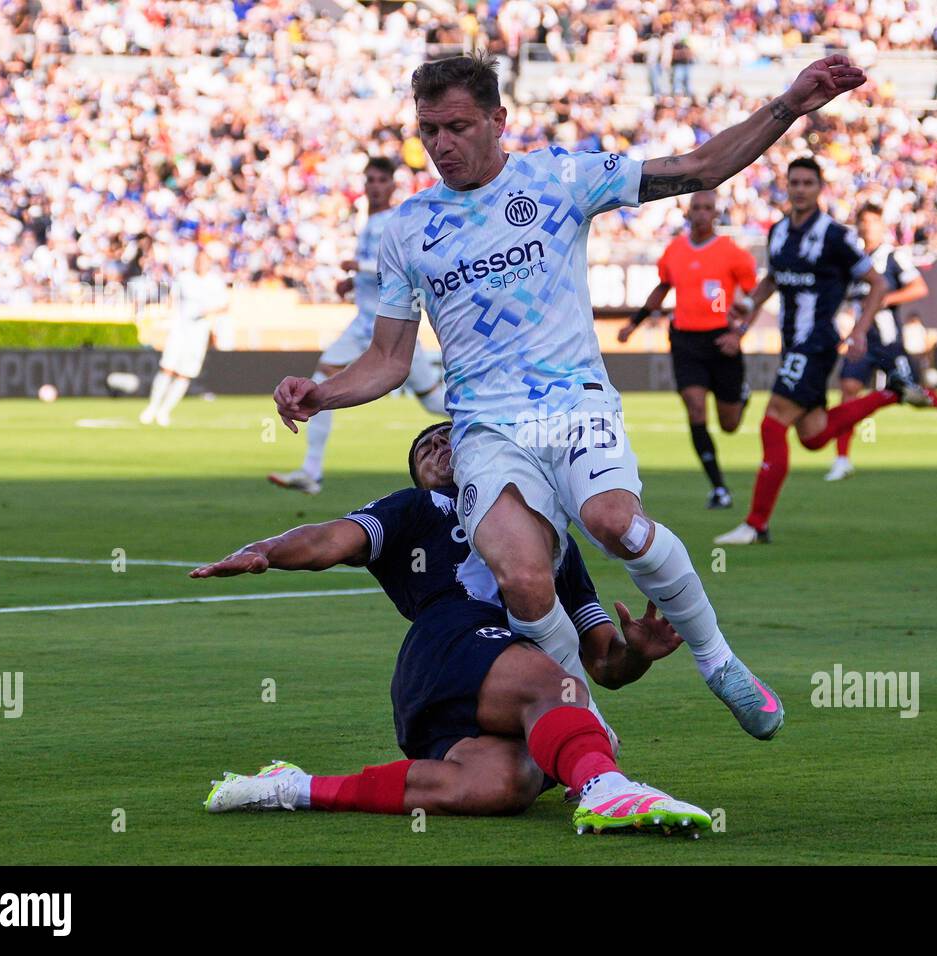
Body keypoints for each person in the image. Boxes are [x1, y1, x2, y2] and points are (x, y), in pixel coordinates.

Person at [273, 52, 869, 741]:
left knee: (614, 521)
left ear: (499, 120)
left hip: (573, 404)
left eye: (457, 126)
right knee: (525, 581)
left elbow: (700, 167)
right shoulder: (410, 228)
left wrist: (791, 103)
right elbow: (388, 359)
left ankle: (720, 662)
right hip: (487, 430)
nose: (440, 144)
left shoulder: (561, 177)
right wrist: (322, 393)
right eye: (428, 129)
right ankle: (587, 726)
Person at [197, 422, 710, 835]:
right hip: (449, 644)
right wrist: (267, 551)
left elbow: (602, 663)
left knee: (501, 787)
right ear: (419, 476)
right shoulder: (420, 508)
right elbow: (329, 539)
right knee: (554, 684)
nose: (440, 447)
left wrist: (636, 653)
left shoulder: (552, 541)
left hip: (494, 685)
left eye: (449, 437)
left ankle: (294, 787)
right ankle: (605, 787)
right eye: (427, 448)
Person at [712, 156, 922, 546]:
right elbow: (772, 281)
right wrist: (746, 312)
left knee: (772, 421)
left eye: (808, 183)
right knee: (812, 433)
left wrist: (858, 331)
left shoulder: (835, 236)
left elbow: (876, 284)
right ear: (787, 187)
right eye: (795, 182)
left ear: (820, 189)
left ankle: (756, 524)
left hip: (817, 343)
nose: (800, 189)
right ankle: (891, 394)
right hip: (792, 342)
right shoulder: (777, 233)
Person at [269, 158, 446, 495]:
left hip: (388, 322)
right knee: (320, 381)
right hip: (366, 321)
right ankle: (311, 470)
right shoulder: (368, 222)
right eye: (369, 180)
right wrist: (353, 282)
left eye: (381, 180)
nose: (374, 186)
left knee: (434, 401)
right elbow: (380, 273)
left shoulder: (393, 220)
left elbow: (401, 263)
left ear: (393, 185)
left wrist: (358, 266)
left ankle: (485, 410)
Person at [618, 191, 757, 508]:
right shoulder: (675, 250)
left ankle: (741, 396)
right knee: (695, 407)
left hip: (722, 340)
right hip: (685, 340)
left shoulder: (734, 254)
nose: (702, 213)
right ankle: (719, 487)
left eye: (708, 208)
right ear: (688, 212)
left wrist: (739, 333)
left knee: (730, 424)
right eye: (696, 207)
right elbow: (662, 288)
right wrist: (634, 323)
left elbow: (754, 298)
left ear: (716, 214)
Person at [824, 203, 937, 482]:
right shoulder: (853, 260)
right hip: (861, 340)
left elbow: (919, 287)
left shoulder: (893, 257)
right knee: (848, 389)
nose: (867, 227)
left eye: (873, 222)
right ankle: (842, 459)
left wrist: (885, 299)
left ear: (882, 225)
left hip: (889, 341)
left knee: (912, 394)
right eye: (863, 222)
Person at [140, 249, 229, 427]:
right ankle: (152, 408)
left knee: (184, 374)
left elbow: (225, 306)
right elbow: (171, 299)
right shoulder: (184, 278)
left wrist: (209, 313)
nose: (201, 264)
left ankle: (164, 412)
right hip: (180, 329)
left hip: (199, 333)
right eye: (199, 260)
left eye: (205, 261)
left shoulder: (216, 282)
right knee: (167, 367)